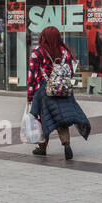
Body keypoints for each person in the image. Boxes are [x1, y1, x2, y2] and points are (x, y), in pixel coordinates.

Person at [26, 26, 89, 159]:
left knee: (44, 118)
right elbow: (70, 71)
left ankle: (42, 148)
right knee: (62, 119)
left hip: (44, 91)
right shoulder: (65, 52)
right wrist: (61, 82)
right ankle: (66, 143)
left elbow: (32, 76)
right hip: (64, 91)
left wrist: (30, 96)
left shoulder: (37, 52)